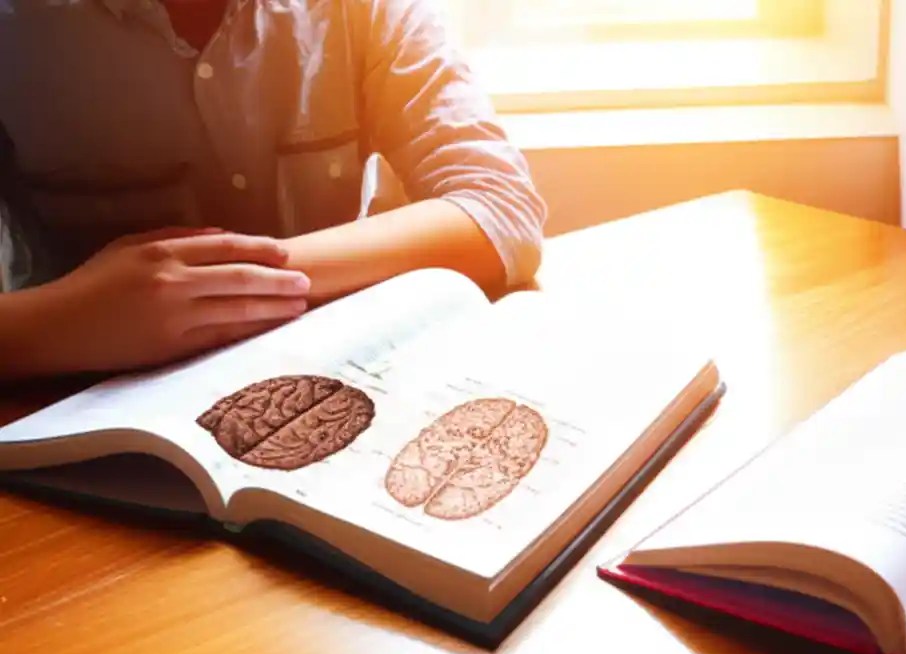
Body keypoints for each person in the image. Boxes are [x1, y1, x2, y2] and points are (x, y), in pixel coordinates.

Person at [0, 0, 547, 381]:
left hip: (329, 381)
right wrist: (70, 317)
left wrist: (221, 286)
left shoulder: (365, 10)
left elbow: (499, 211)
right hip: (78, 424)